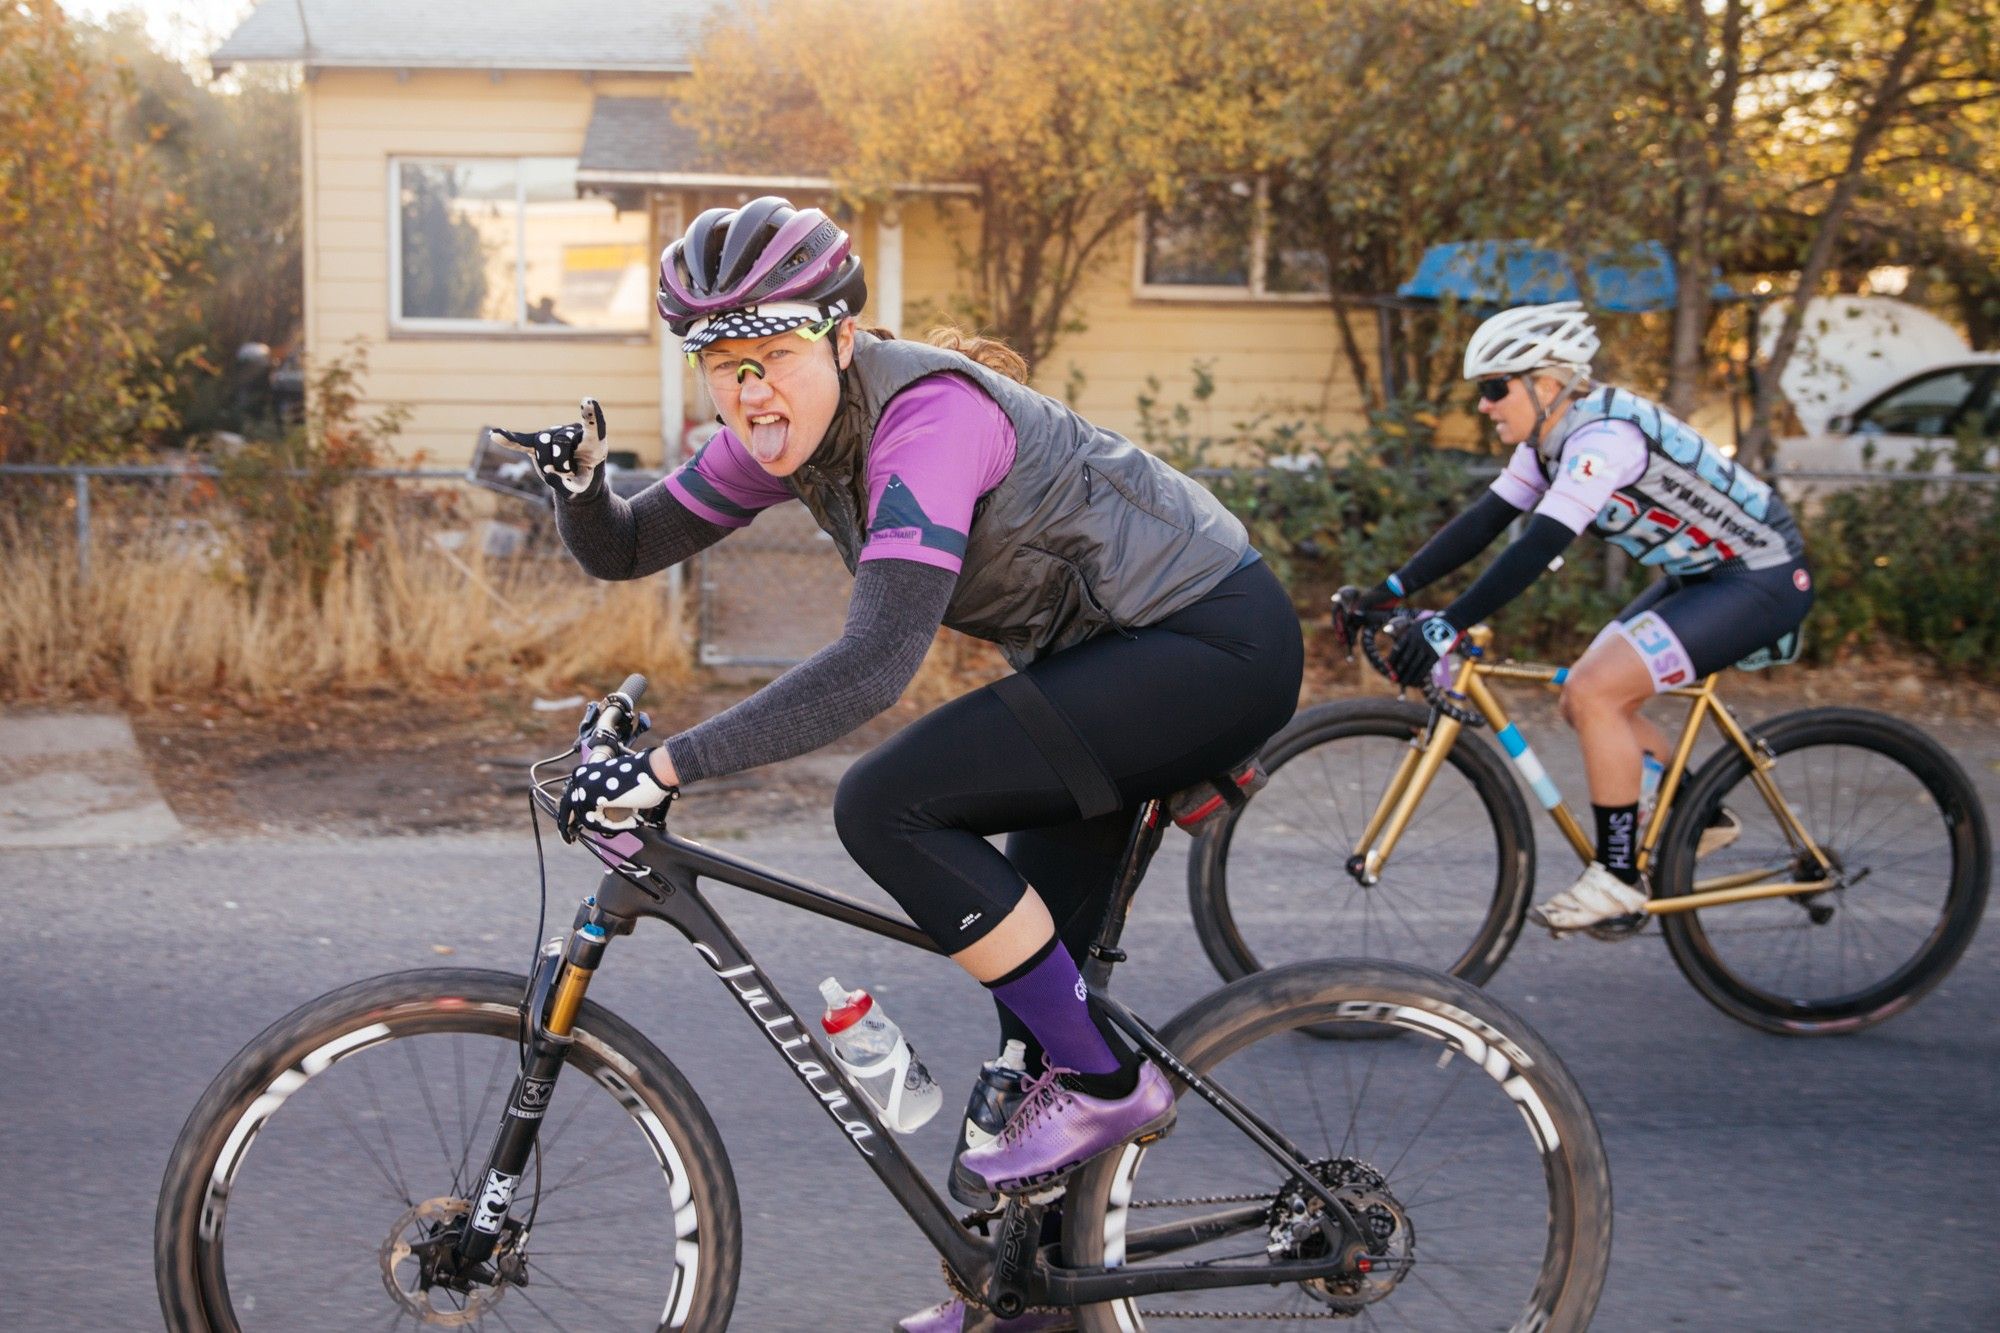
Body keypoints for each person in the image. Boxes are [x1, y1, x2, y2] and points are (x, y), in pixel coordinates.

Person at [500, 197, 1302, 1332]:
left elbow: (873, 663)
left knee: (887, 804)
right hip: (1110, 660)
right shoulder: (786, 437)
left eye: (770, 356)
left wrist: (667, 769)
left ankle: (1117, 1085)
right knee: (1036, 1022)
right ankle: (1018, 1298)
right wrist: (580, 487)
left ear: (836, 336)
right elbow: (630, 545)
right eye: (721, 366)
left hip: (1207, 645)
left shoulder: (927, 422)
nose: (749, 393)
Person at [1349, 300, 1812, 934]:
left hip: (1760, 577)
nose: (1483, 405)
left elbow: (1538, 547)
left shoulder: (1603, 439)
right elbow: (1483, 523)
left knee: (1597, 691)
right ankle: (1699, 815)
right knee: (1580, 696)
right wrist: (1388, 591)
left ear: (1545, 385)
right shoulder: (1549, 439)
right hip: (1705, 575)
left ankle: (1618, 878)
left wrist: (1445, 625)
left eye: (1493, 388)